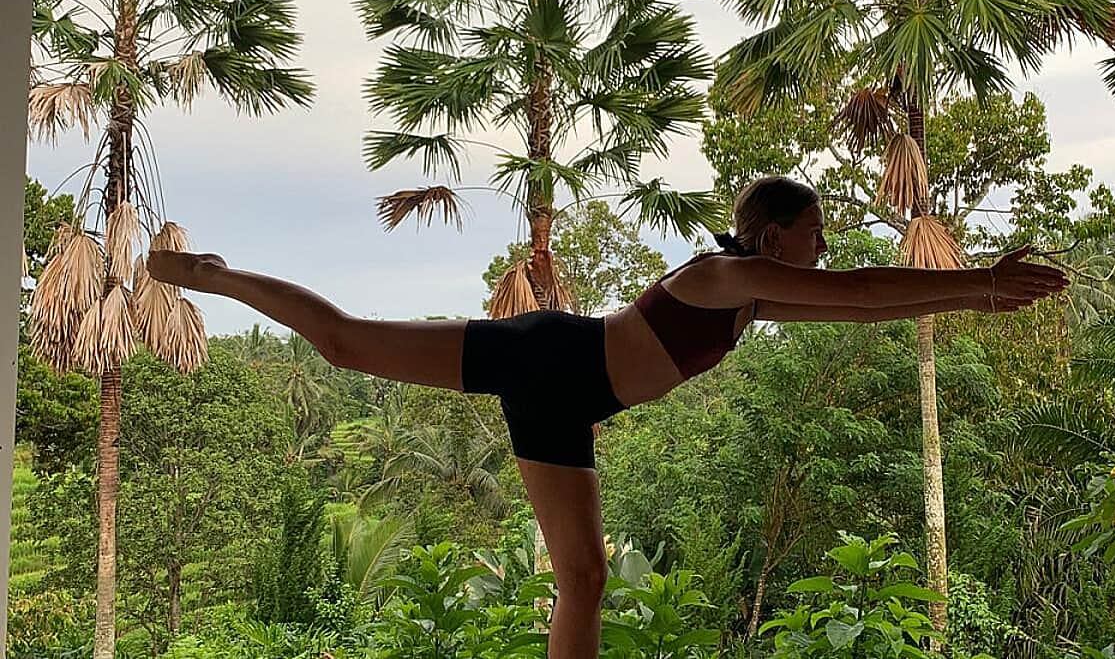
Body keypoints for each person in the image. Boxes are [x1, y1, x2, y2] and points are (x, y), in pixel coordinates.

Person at [146, 175, 1068, 658]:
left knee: (582, 578)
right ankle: (214, 276)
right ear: (777, 235)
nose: (822, 251)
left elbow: (861, 302)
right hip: (547, 355)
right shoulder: (720, 276)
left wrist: (975, 301)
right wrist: (980, 278)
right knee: (345, 341)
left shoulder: (752, 299)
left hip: (574, 406)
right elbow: (859, 283)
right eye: (815, 234)